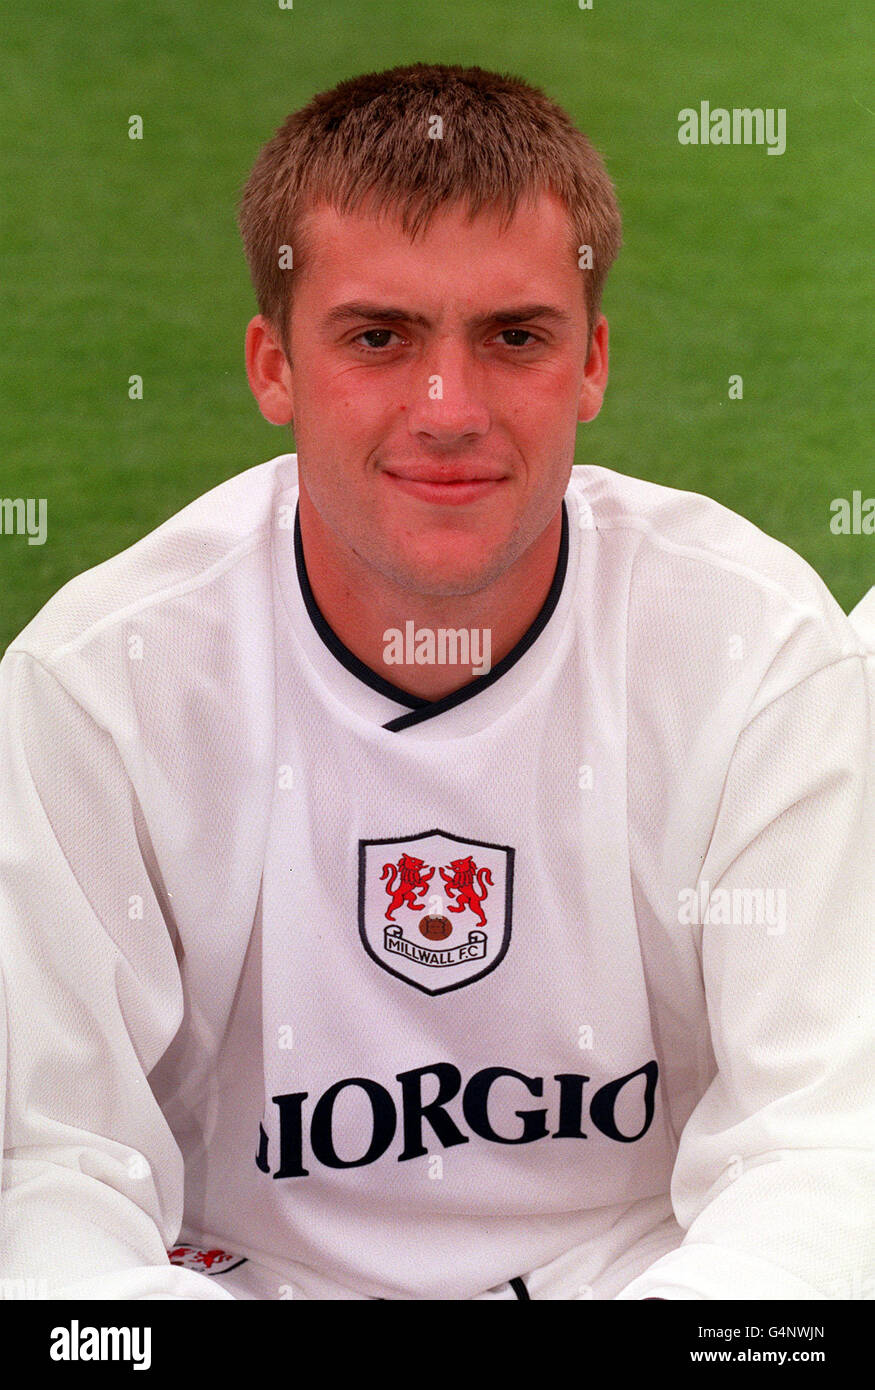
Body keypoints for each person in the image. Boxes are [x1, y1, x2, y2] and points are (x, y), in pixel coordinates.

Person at [0, 63, 871, 1301]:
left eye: (513, 337)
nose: (446, 407)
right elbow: (49, 1173)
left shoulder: (755, 650)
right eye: (378, 337)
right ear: (273, 367)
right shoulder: (97, 687)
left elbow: (825, 1148)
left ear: (590, 365)